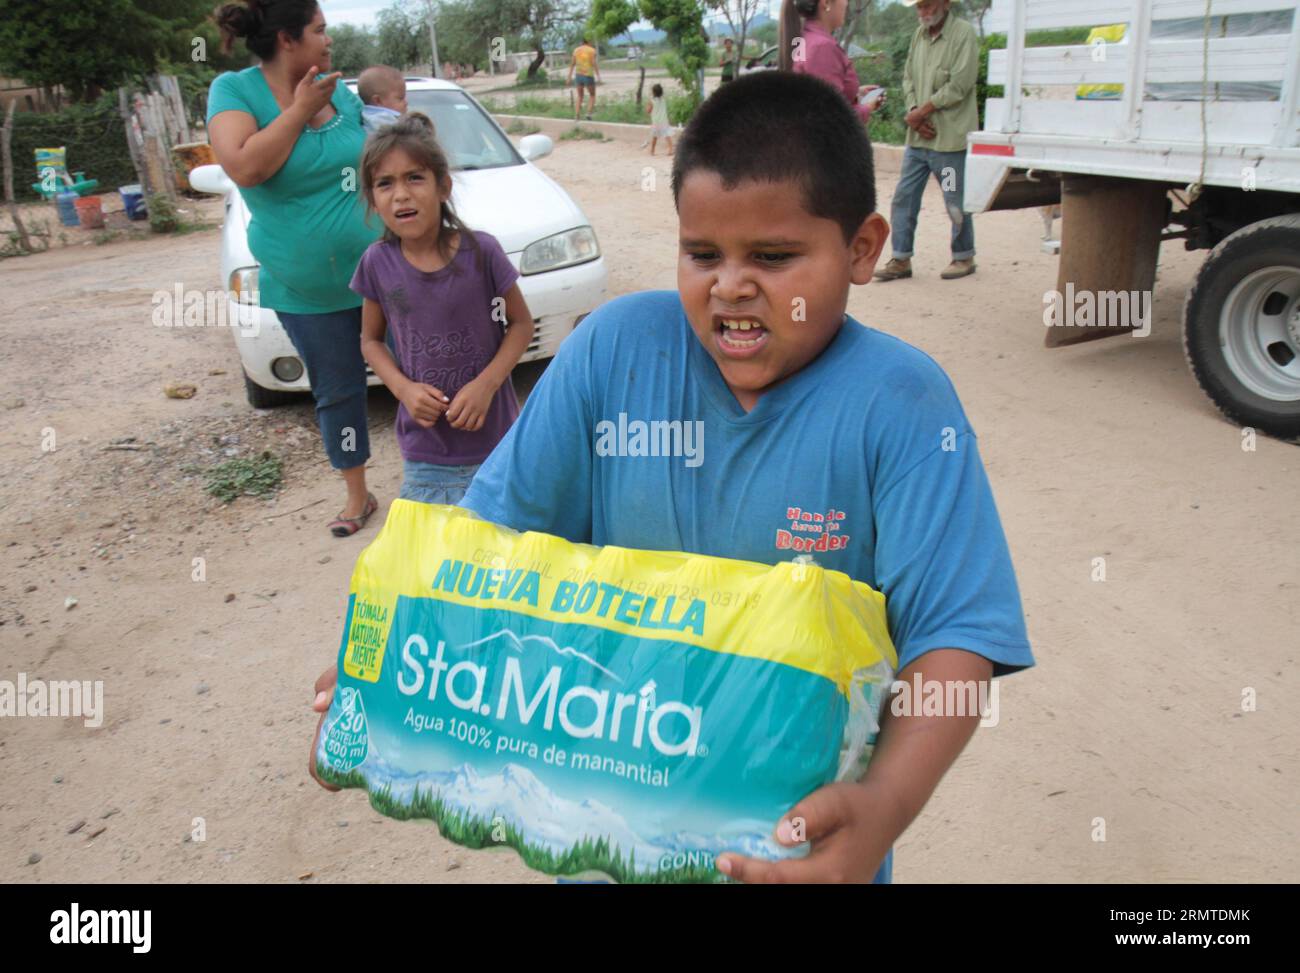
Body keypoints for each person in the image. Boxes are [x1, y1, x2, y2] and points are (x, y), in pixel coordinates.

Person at [310, 71, 1034, 883]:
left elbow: (957, 638)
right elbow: (485, 550)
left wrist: (886, 805)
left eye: (773, 255)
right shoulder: (613, 349)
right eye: (702, 253)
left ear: (862, 248)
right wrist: (397, 657)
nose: (731, 285)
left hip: (798, 855)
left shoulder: (901, 403)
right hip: (613, 836)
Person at [208, 0, 381, 537]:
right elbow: (245, 166)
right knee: (339, 392)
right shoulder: (235, 92)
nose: (328, 40)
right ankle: (358, 496)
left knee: (423, 371)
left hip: (383, 276)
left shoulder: (337, 89)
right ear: (287, 39)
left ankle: (446, 480)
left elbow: (374, 157)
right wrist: (301, 110)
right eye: (319, 30)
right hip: (308, 289)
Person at [352, 113, 534, 506]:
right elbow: (370, 341)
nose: (400, 194)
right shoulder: (376, 264)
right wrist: (403, 390)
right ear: (373, 199)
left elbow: (520, 324)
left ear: (443, 187)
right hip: (427, 453)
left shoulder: (481, 252)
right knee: (435, 560)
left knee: (499, 557)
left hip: (498, 443)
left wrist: (486, 385)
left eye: (414, 178)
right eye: (385, 184)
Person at [874, 0, 980, 282]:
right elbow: (907, 78)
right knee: (904, 197)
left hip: (948, 140)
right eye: (919, 7)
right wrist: (913, 113)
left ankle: (963, 256)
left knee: (953, 198)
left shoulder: (963, 33)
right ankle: (901, 258)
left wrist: (922, 112)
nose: (923, 12)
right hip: (919, 139)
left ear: (945, 4)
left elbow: (960, 83)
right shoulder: (918, 35)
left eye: (928, 5)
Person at [780, 0, 884, 123]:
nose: (846, 3)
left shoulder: (803, 39)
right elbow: (831, 119)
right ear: (826, 3)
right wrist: (867, 107)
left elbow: (812, 98)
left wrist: (855, 94)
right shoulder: (823, 47)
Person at [357, 64, 407, 133]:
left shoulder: (364, 116)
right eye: (400, 98)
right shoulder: (384, 120)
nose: (406, 103)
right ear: (378, 100)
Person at [567, 36, 600, 121]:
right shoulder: (592, 50)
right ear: (588, 41)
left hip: (578, 75)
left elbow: (572, 64)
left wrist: (569, 77)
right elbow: (594, 63)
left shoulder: (576, 50)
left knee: (580, 96)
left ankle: (577, 115)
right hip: (588, 75)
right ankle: (588, 113)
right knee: (592, 95)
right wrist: (598, 75)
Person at [646, 83, 673, 156]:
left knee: (655, 137)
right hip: (664, 121)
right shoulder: (663, 100)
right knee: (667, 136)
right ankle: (670, 149)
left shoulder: (651, 101)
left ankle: (652, 151)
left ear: (653, 92)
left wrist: (648, 105)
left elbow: (648, 111)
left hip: (656, 122)